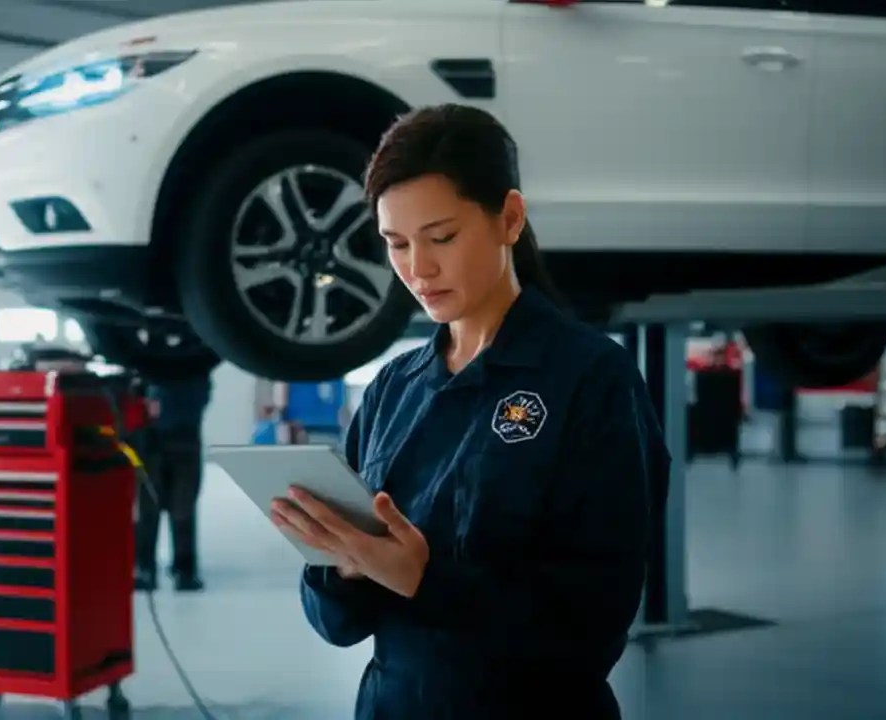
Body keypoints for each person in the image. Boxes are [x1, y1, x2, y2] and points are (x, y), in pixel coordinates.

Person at [269, 104, 669, 719]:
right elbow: (338, 625)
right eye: (396, 244)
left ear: (509, 218)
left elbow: (593, 627)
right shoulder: (391, 391)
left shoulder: (592, 382)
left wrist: (423, 582)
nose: (418, 269)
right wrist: (343, 569)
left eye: (442, 237)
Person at [134, 371, 214, 592]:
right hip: (156, 439)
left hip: (180, 436)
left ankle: (179, 571)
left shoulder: (188, 359)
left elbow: (203, 393)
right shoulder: (182, 358)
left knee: (180, 508)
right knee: (151, 508)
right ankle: (152, 568)